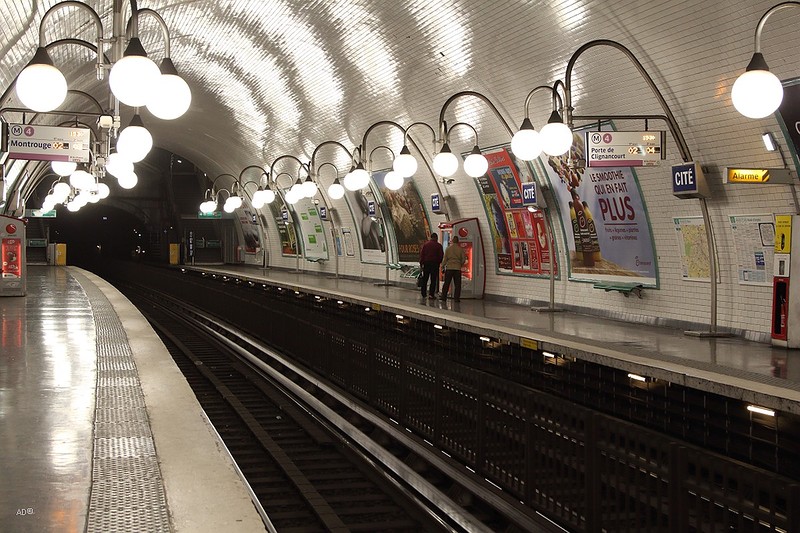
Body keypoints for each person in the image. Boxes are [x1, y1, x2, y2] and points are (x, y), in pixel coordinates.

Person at [441, 235, 467, 302]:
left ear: (452, 241)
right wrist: (460, 264)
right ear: (458, 241)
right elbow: (463, 259)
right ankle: (456, 298)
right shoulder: (460, 249)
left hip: (449, 268)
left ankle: (444, 297)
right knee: (457, 285)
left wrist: (442, 266)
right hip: (457, 269)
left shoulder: (448, 249)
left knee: (447, 283)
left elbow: (445, 259)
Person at [418, 233, 443, 299]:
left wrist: (421, 264)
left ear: (431, 237)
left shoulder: (425, 245)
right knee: (433, 280)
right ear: (436, 238)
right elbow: (441, 256)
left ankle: (423, 293)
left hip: (426, 264)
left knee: (425, 279)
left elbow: (422, 255)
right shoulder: (439, 246)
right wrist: (439, 262)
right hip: (435, 264)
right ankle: (431, 294)